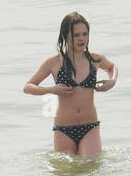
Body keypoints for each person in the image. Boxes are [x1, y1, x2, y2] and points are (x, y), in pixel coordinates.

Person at [23, 12, 118, 155]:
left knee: (89, 168)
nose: (82, 39)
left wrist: (112, 81)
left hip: (90, 126)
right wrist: (52, 89)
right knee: (66, 174)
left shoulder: (95, 59)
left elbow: (112, 67)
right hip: (63, 129)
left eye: (85, 34)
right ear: (66, 36)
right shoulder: (54, 62)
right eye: (76, 35)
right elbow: (28, 87)